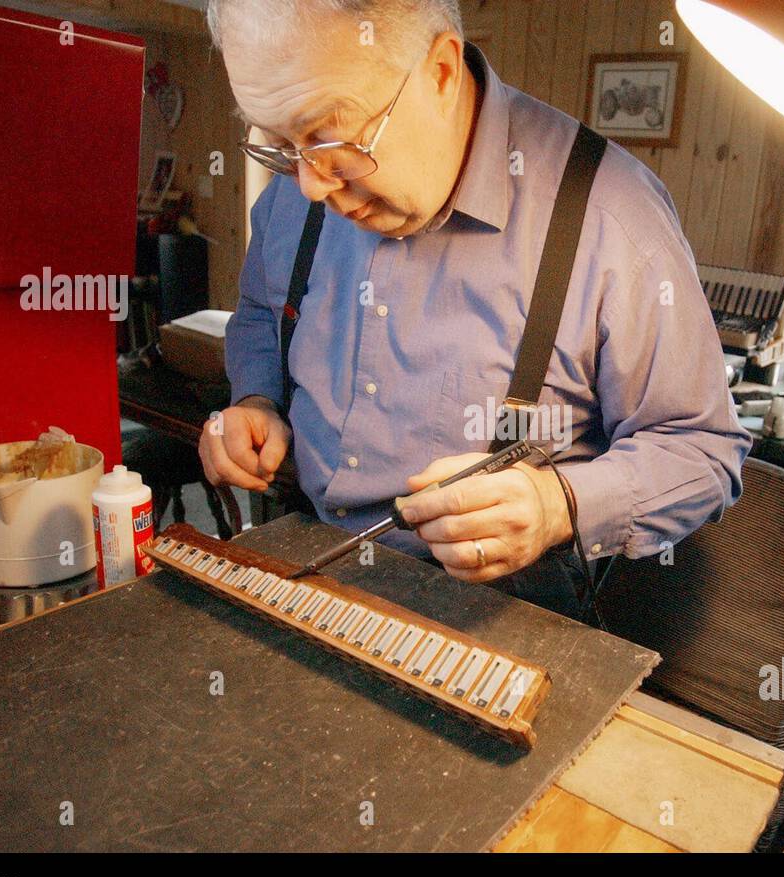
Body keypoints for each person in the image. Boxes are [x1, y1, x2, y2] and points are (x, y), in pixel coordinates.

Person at [198, 0, 750, 618]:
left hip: (496, 609)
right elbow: (258, 311)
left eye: (332, 139)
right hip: (302, 557)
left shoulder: (612, 216)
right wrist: (255, 399)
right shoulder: (305, 180)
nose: (308, 185)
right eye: (279, 144)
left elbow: (702, 448)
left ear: (439, 71)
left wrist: (556, 505)